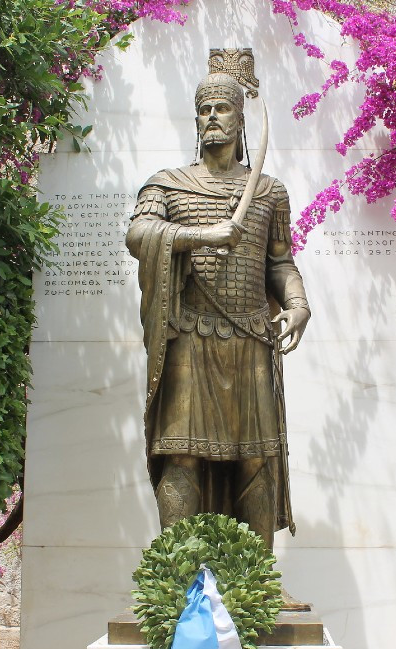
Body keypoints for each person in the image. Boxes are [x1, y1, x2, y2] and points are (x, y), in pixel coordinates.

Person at [125, 72, 310, 548]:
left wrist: (296, 300)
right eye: (204, 109)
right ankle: (176, 575)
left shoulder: (268, 192)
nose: (212, 117)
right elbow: (139, 235)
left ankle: (259, 578)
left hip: (248, 333)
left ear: (240, 119)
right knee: (180, 454)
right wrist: (203, 236)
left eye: (222, 108)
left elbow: (280, 261)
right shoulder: (167, 184)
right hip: (188, 333)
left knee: (257, 458)